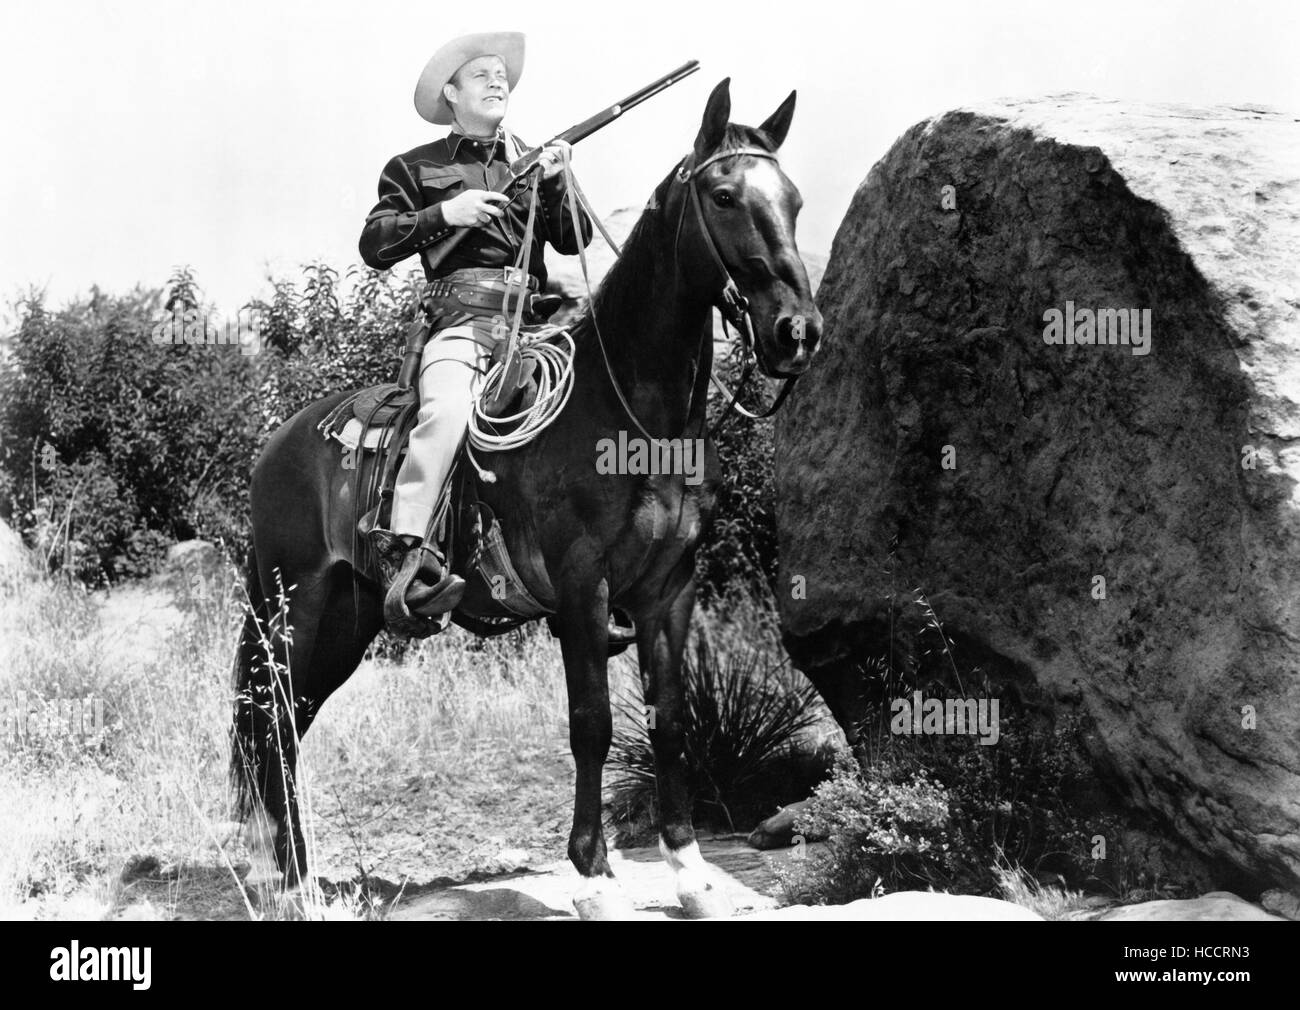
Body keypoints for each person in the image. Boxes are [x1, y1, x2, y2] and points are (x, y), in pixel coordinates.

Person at [358, 31, 592, 626]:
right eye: (481, 74)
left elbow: (576, 239)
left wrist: (561, 180)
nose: (498, 82)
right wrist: (445, 214)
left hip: (539, 327)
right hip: (462, 322)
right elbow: (375, 245)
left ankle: (602, 565)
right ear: (451, 93)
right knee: (447, 413)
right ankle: (408, 552)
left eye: (502, 76)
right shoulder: (415, 167)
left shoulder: (536, 163)